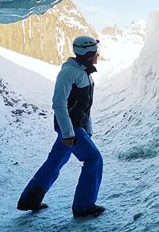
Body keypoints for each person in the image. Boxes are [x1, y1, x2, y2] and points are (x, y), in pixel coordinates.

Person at [17, 35, 105, 218]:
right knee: (93, 159)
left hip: (74, 127)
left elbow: (84, 106)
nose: (99, 55)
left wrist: (86, 127)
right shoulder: (69, 73)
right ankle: (83, 206)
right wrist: (68, 133)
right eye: (96, 52)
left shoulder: (83, 71)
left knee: (56, 161)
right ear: (88, 54)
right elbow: (59, 103)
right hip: (71, 128)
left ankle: (29, 200)